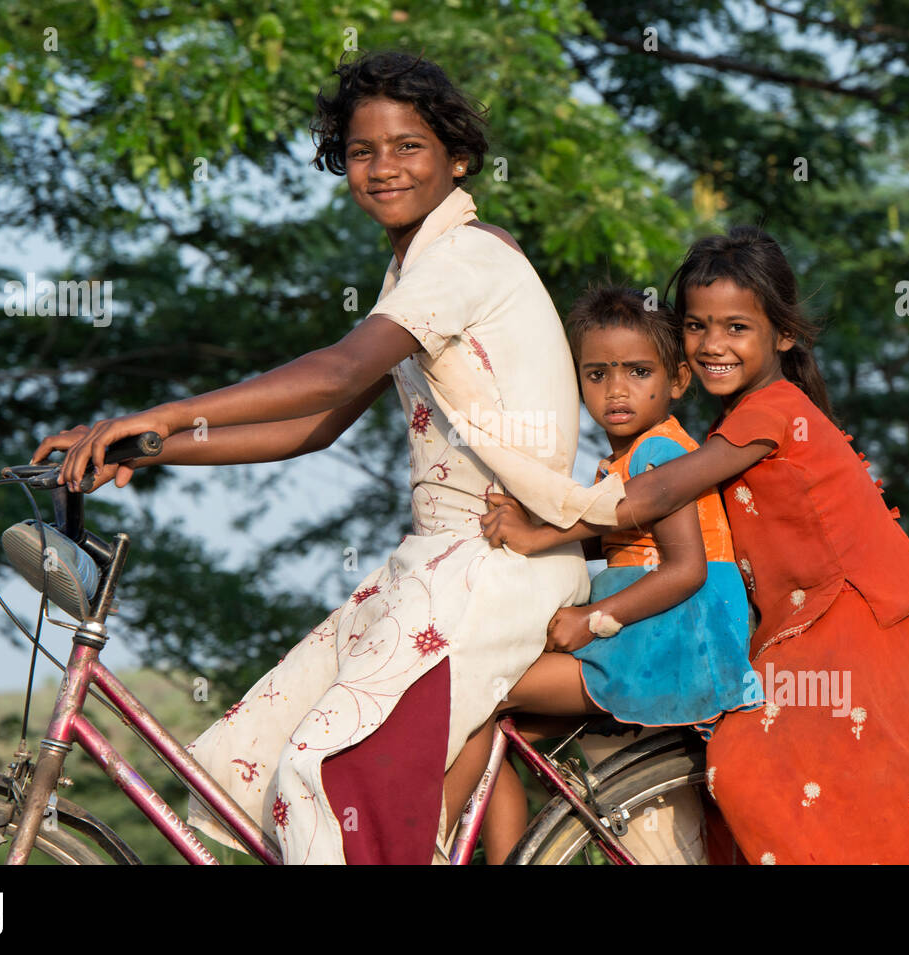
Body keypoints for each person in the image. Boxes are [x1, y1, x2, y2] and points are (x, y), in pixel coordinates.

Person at [31, 50, 626, 864]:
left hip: (498, 566)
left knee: (321, 767)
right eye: (361, 151)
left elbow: (340, 369)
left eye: (408, 146)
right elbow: (315, 426)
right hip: (435, 565)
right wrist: (155, 446)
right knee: (262, 749)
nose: (383, 168)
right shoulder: (414, 269)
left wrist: (166, 410)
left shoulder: (467, 259)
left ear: (456, 158)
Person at [481, 227, 909, 864]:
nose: (712, 346)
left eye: (735, 328)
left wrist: (536, 526)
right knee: (853, 791)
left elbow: (647, 498)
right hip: (802, 627)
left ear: (782, 335)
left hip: (847, 625)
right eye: (696, 327)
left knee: (791, 772)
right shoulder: (739, 423)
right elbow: (643, 522)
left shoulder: (770, 412)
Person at [460, 286, 763, 864]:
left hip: (669, 639)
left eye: (637, 371)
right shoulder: (627, 459)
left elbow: (685, 570)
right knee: (488, 722)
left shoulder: (659, 455)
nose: (616, 390)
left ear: (677, 380)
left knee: (480, 691)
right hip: (655, 636)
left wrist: (590, 620)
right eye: (596, 374)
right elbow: (620, 537)